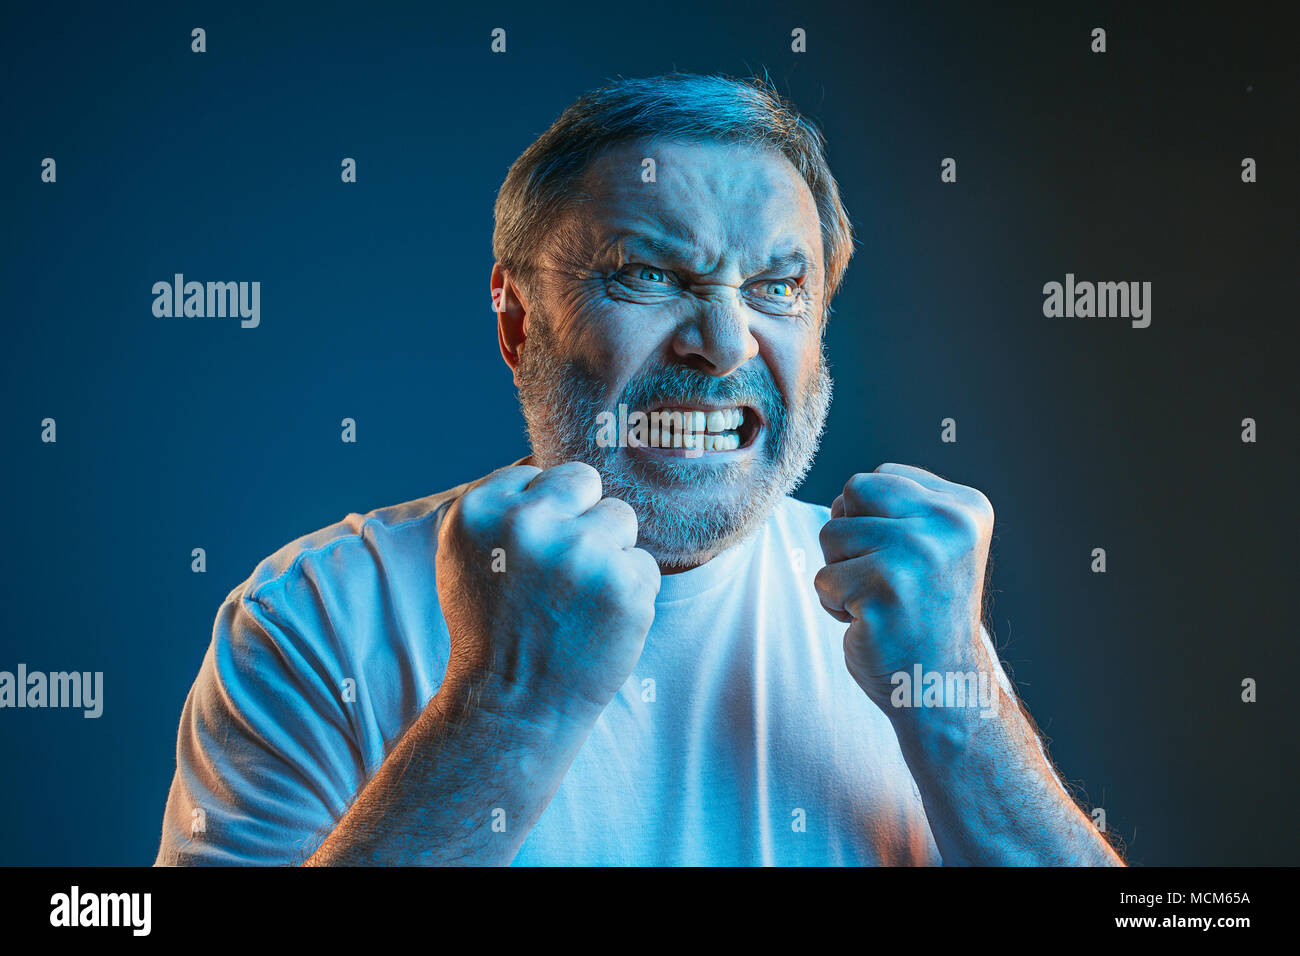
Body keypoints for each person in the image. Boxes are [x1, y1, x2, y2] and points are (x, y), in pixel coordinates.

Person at [155, 72, 1124, 866]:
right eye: (650, 274)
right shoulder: (314, 622)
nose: (723, 342)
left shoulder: (908, 614)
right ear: (517, 319)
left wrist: (961, 701)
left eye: (777, 287)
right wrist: (501, 711)